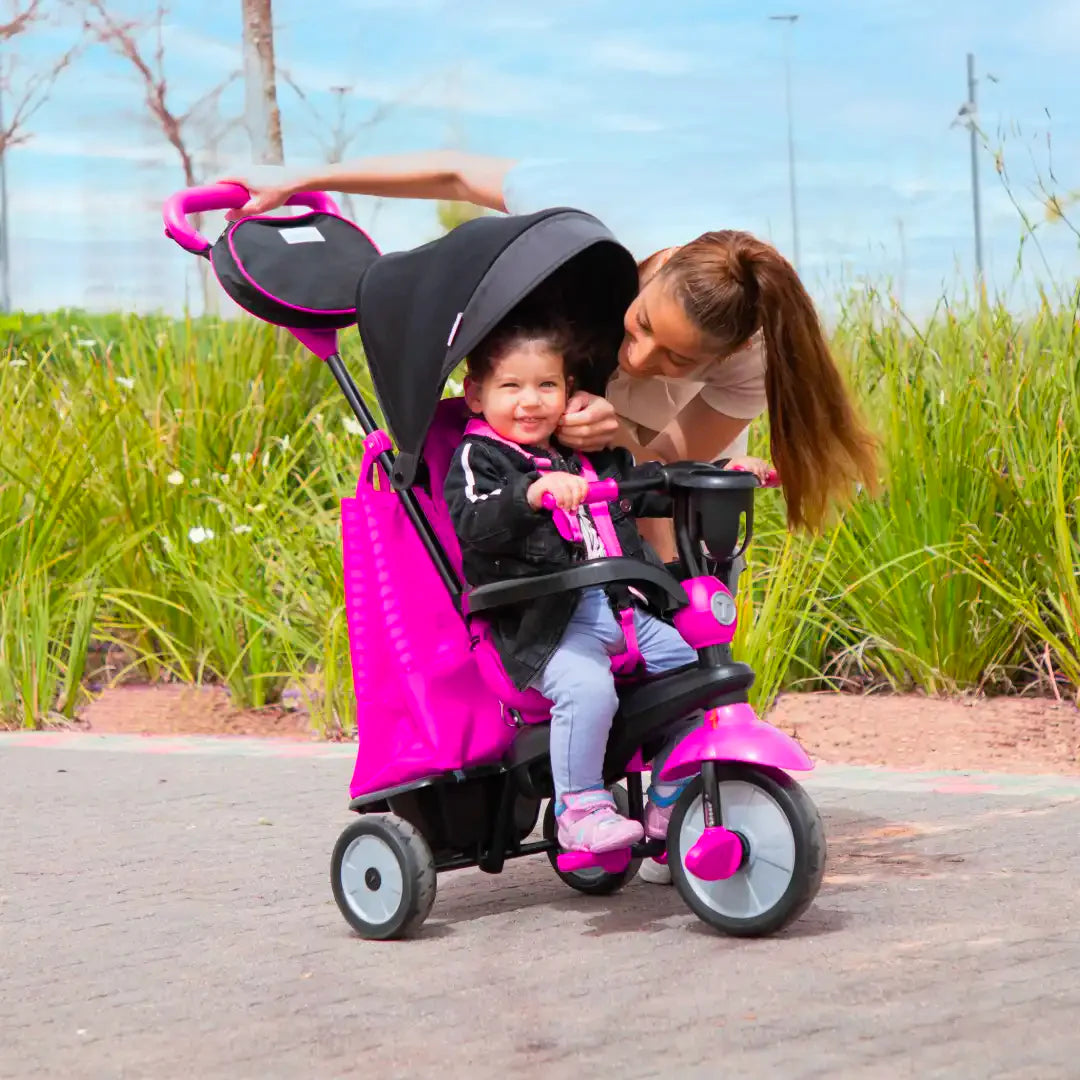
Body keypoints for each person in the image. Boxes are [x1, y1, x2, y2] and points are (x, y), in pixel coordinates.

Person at [221, 150, 877, 553]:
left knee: (674, 558)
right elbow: (454, 172)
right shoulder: (593, 210)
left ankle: (684, 744)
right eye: (644, 324)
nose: (644, 358)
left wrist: (617, 431)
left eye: (678, 359)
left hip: (633, 439)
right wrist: (304, 176)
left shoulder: (753, 358)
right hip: (554, 367)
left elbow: (674, 459)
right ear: (657, 267)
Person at [443, 317, 770, 856]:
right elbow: (474, 519)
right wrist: (531, 493)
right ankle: (580, 808)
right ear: (476, 396)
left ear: (568, 393)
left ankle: (671, 791)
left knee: (698, 672)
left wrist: (717, 472)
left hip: (621, 611)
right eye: (511, 387)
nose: (530, 401)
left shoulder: (587, 458)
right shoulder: (481, 459)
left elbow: (647, 490)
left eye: (546, 386)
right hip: (544, 625)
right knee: (586, 689)